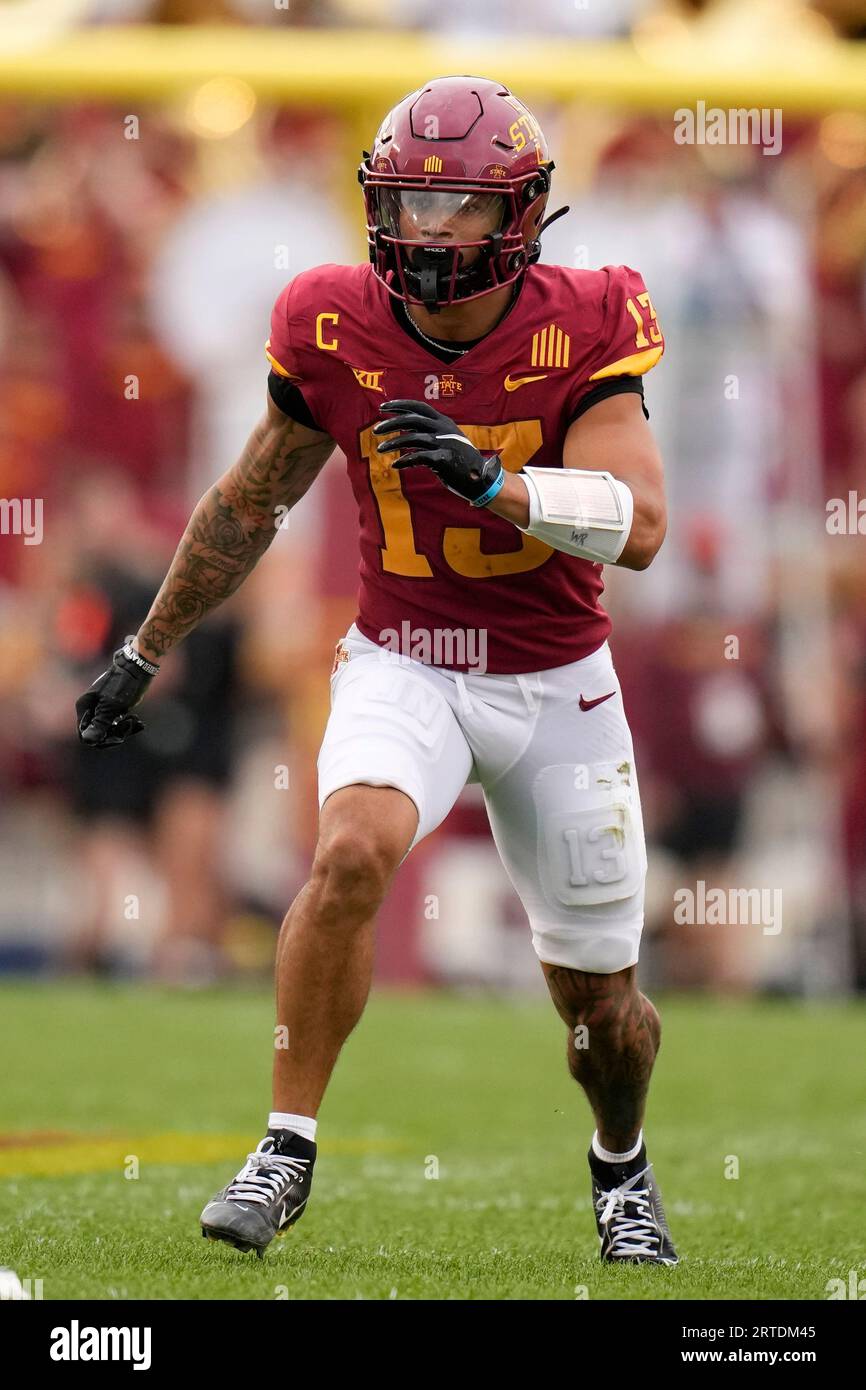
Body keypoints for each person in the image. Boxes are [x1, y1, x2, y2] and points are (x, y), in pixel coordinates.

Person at [75, 75, 675, 1265]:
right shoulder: (330, 318)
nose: (427, 231)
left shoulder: (589, 313)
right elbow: (252, 498)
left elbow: (643, 521)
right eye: (408, 204)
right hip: (406, 657)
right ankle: (285, 1144)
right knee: (349, 847)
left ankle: (620, 1164)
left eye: (456, 207)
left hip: (558, 678)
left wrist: (494, 481)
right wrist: (145, 648)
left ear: (520, 214)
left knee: (599, 1007)